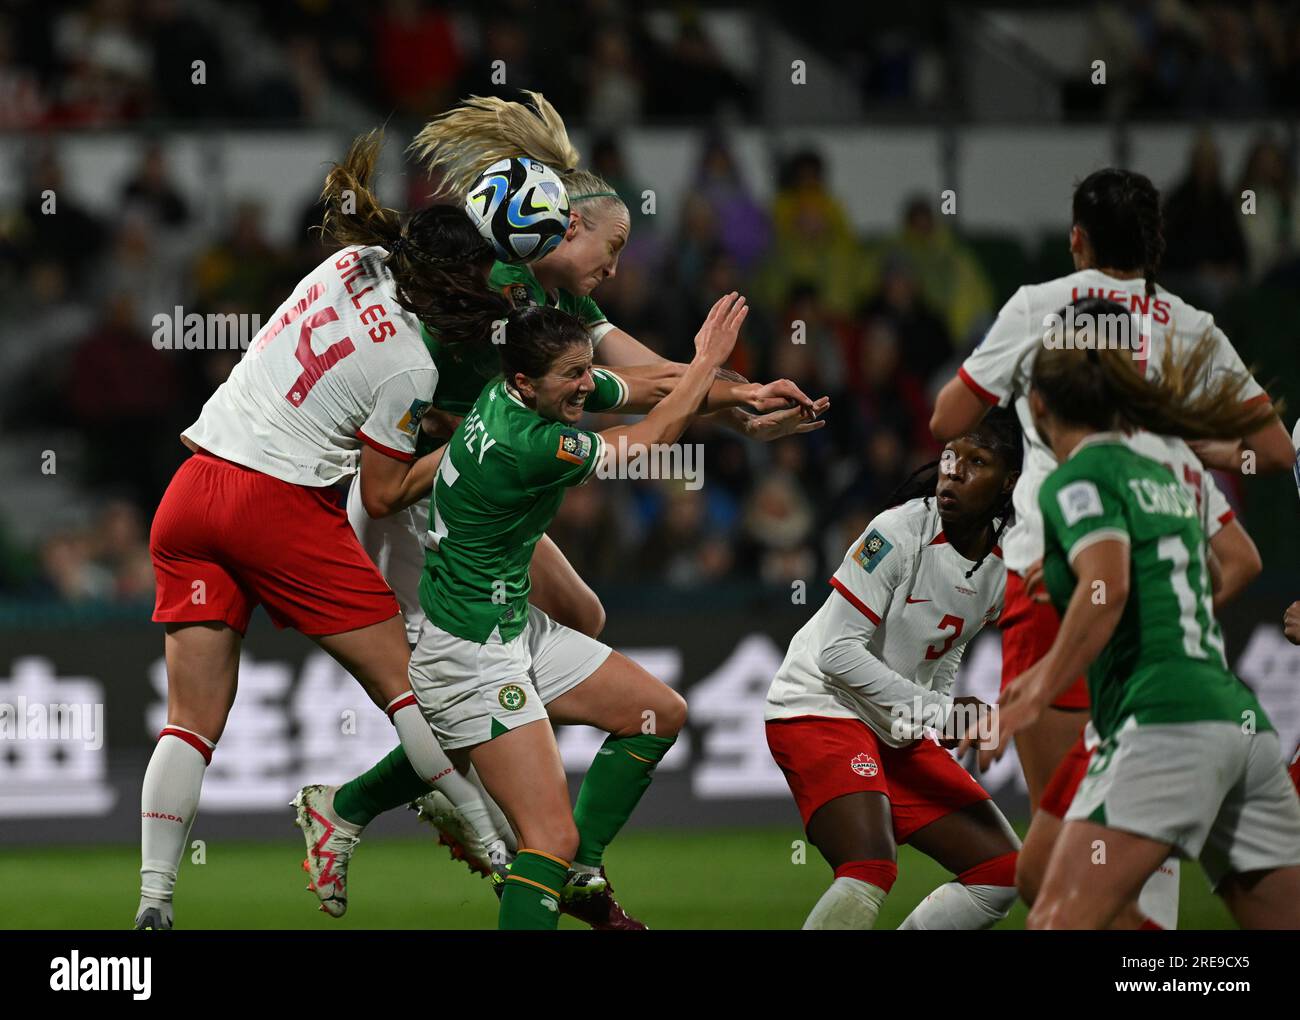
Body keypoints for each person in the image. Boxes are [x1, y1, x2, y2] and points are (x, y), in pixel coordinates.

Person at [297, 91, 828, 922]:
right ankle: (423, 811)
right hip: (414, 501)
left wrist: (743, 394)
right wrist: (710, 383)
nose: (615, 267)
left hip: (482, 502)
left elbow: (649, 379)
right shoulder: (484, 290)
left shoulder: (554, 322)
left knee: (582, 613)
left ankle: (504, 821)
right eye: (611, 247)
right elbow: (643, 419)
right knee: (464, 695)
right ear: (565, 230)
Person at [138, 130, 506, 930]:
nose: (482, 294)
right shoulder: (411, 363)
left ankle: (154, 900)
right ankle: (500, 850)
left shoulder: (349, 264)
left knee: (189, 724)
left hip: (192, 491)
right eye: (474, 280)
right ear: (445, 281)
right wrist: (473, 439)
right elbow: (378, 494)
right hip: (276, 505)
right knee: (414, 689)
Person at [930, 171, 1294, 830]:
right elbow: (1272, 453)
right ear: (1152, 247)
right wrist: (1193, 449)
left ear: (1077, 240)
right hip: (1161, 585)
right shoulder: (1190, 326)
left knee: (1065, 834)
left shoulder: (1040, 306)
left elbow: (947, 419)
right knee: (1126, 835)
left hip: (1054, 577)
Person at [410, 293, 771, 929]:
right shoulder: (532, 443)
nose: (585, 384)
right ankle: (558, 864)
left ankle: (580, 872)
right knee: (548, 835)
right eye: (572, 376)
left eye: (585, 369)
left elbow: (636, 388)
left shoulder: (518, 389)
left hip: (510, 623)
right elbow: (652, 435)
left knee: (656, 714)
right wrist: (707, 358)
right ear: (526, 382)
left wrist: (743, 396)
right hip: (470, 651)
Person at [984, 337, 1300, 930]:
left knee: (1056, 922)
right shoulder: (1168, 468)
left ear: (1039, 408)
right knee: (1040, 873)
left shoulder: (1073, 479)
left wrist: (1028, 696)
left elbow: (1109, 586)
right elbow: (1194, 571)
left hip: (1163, 721)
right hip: (1239, 723)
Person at [765, 408, 1024, 930]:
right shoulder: (898, 531)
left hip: (892, 725)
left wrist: (933, 713)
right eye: (952, 455)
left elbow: (948, 644)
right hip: (819, 705)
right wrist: (939, 711)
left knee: (1004, 870)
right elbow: (836, 654)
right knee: (870, 867)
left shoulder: (1003, 563)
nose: (954, 470)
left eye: (978, 462)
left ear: (1009, 482)